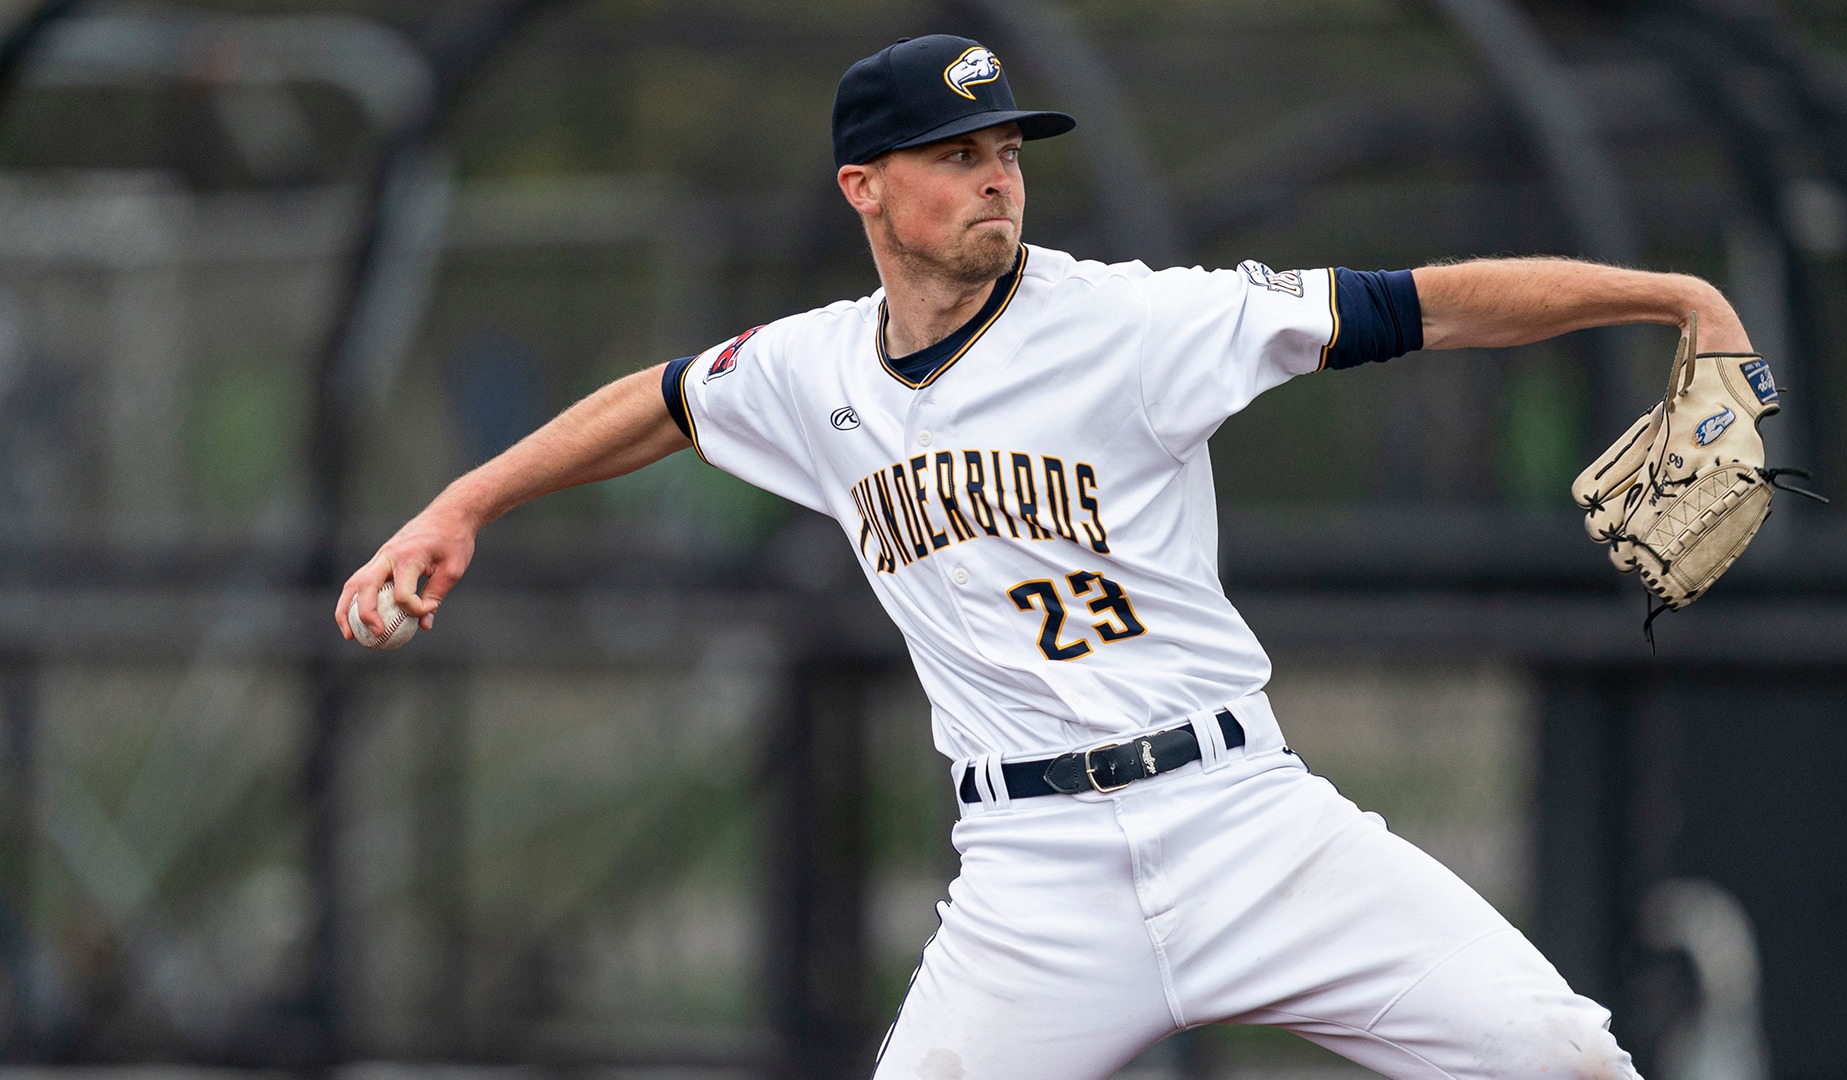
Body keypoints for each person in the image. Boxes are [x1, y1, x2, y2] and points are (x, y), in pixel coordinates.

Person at [338, 33, 1753, 1080]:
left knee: (1567, 1064)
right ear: (865, 189)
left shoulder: (1132, 322)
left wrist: (1669, 295)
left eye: (1007, 150)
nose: (996, 179)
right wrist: (463, 503)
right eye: (955, 157)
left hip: (1245, 822)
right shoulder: (808, 368)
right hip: (1033, 870)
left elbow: (1418, 307)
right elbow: (658, 401)